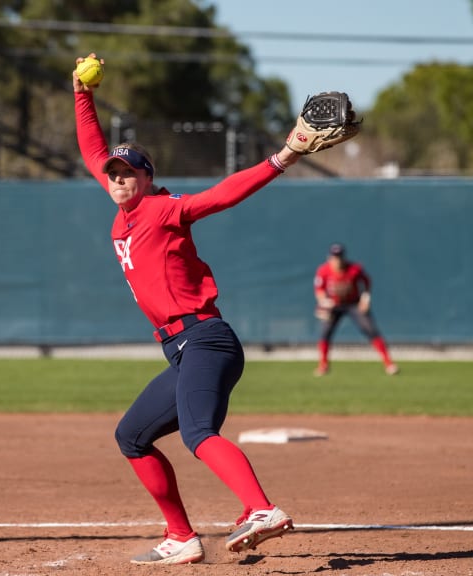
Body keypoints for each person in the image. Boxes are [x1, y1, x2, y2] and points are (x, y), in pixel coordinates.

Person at [73, 53, 357, 565]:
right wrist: (81, 93)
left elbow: (223, 195)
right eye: (113, 173)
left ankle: (261, 509)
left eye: (127, 173)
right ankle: (181, 537)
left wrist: (283, 156)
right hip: (181, 350)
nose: (116, 178)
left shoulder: (163, 209)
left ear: (146, 178)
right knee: (132, 437)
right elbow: (92, 148)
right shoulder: (124, 206)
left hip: (205, 339)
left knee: (199, 433)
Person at [313, 243, 398, 376]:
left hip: (353, 304)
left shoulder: (354, 269)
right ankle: (323, 365)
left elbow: (367, 282)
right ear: (329, 258)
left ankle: (389, 363)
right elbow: (319, 290)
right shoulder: (323, 270)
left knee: (370, 329)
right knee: (325, 332)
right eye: (334, 257)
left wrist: (365, 299)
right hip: (333, 305)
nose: (337, 260)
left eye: (339, 257)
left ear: (344, 257)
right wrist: (324, 302)